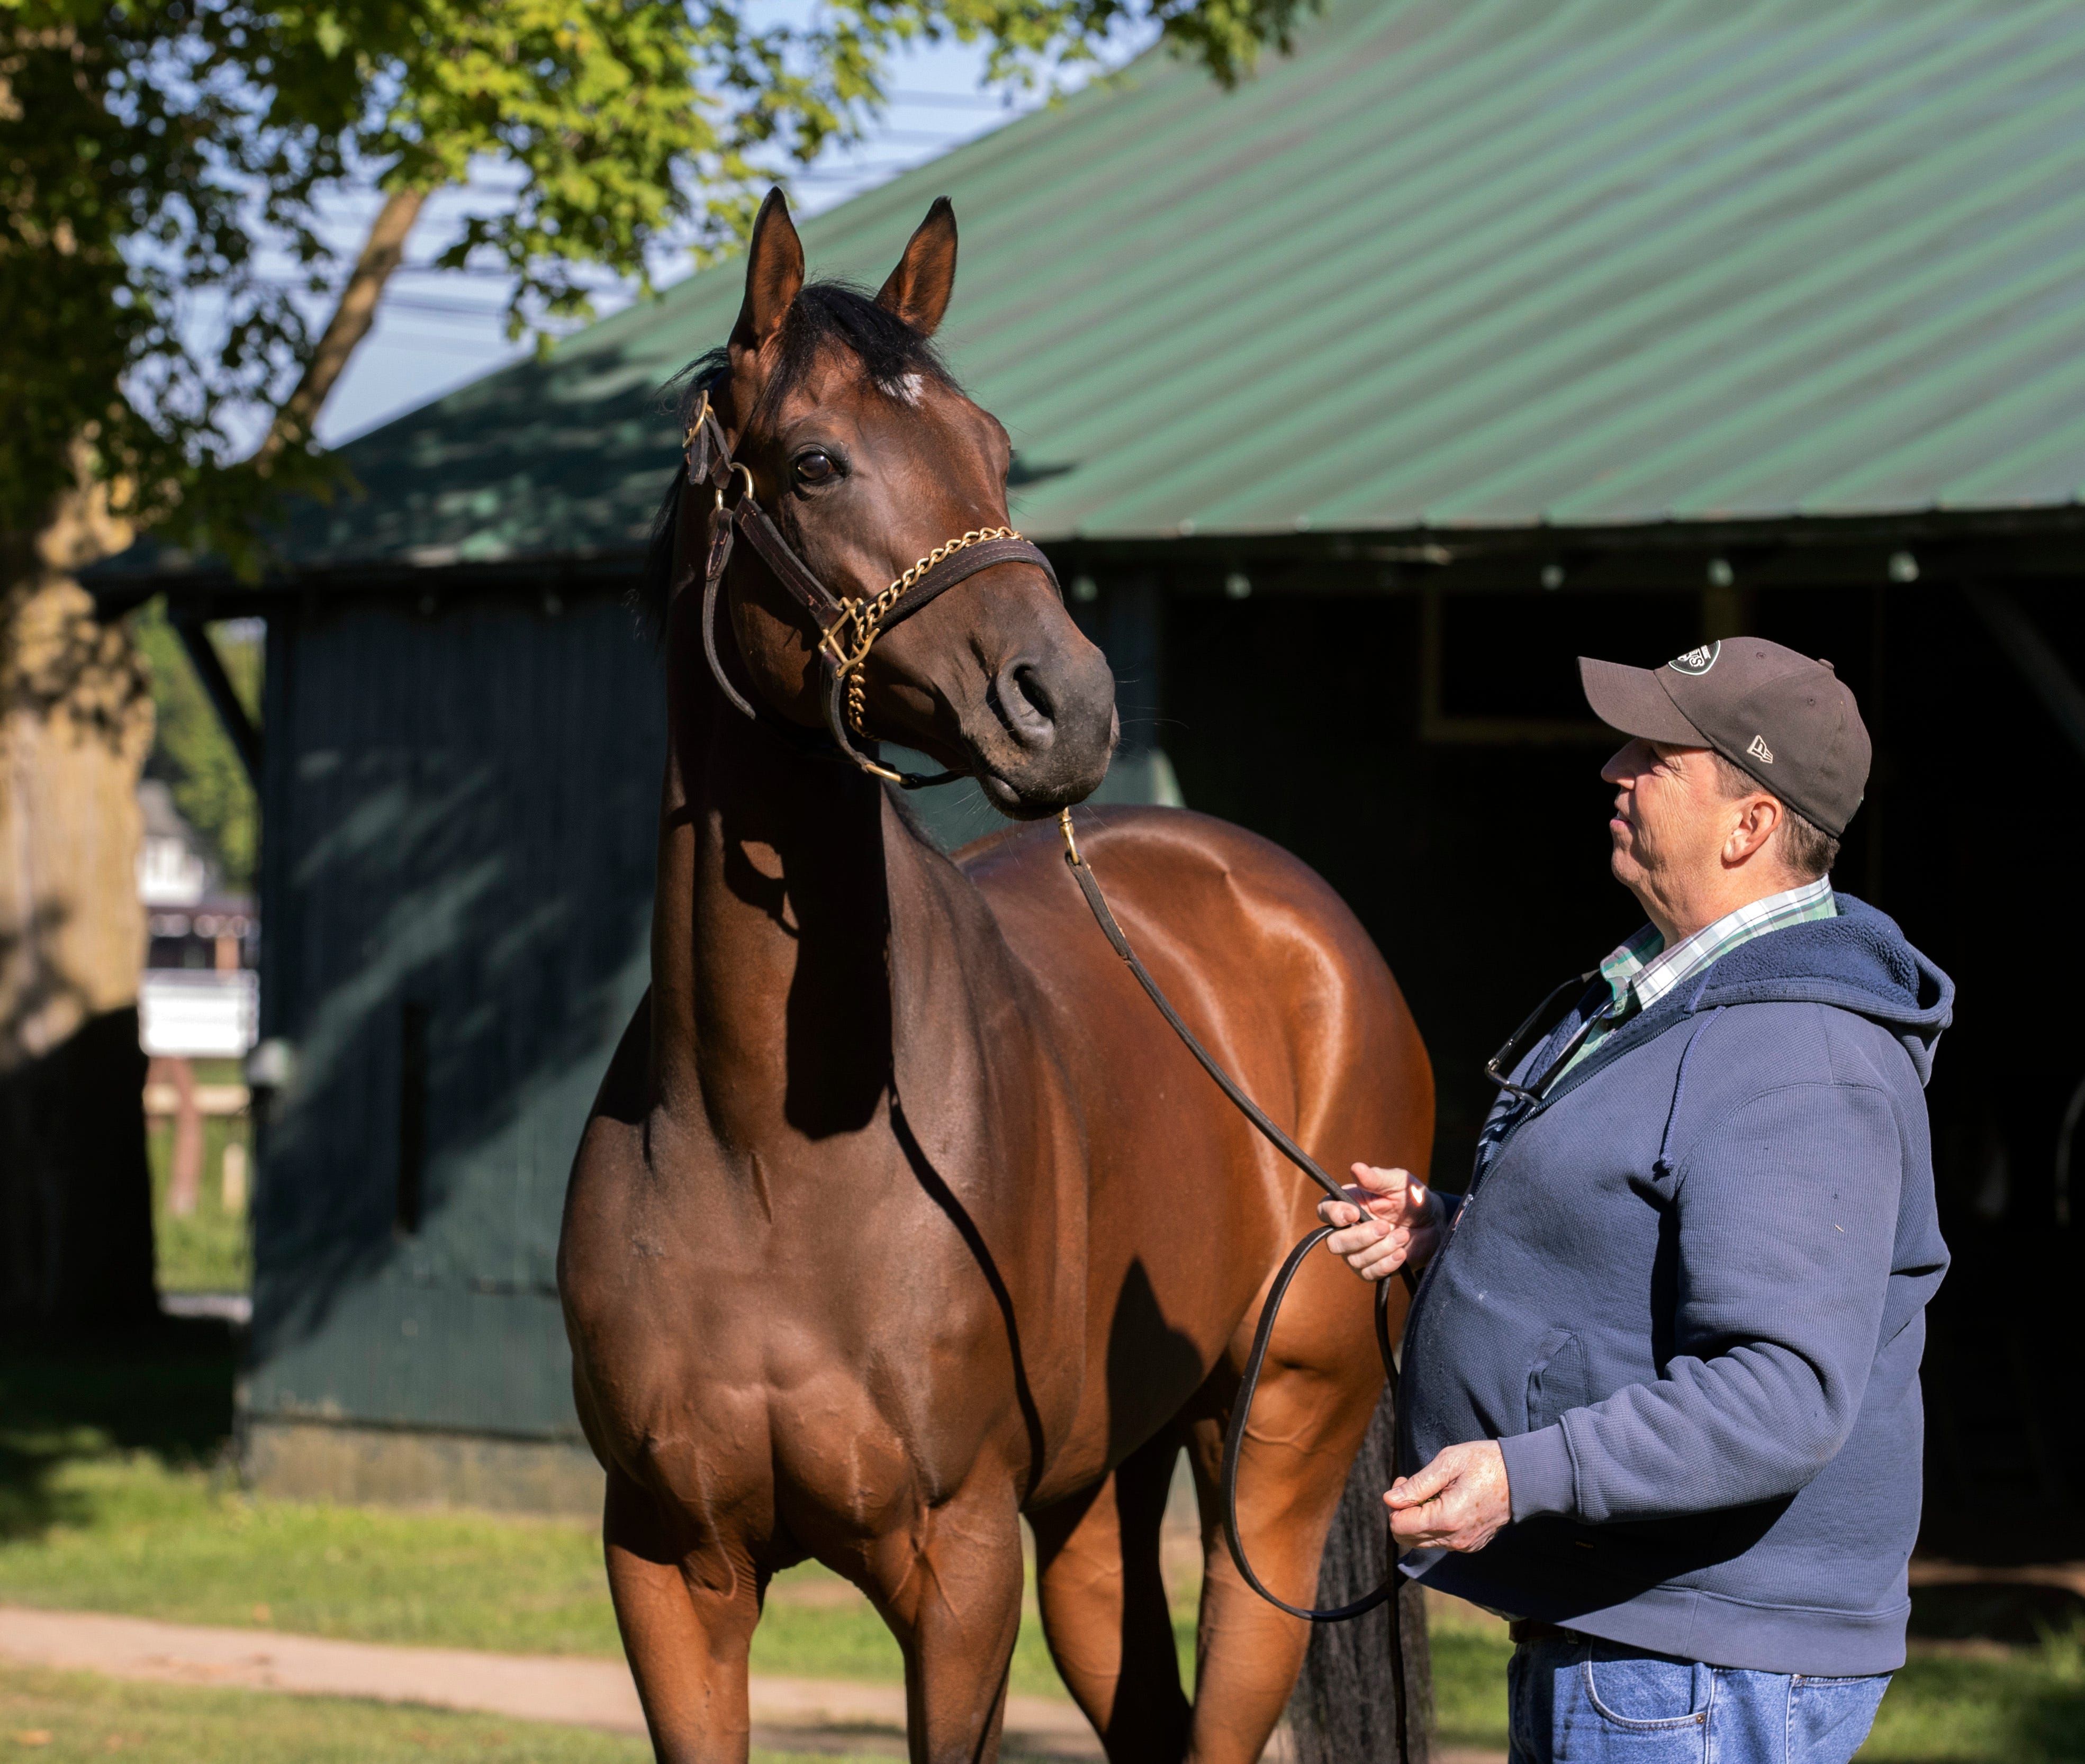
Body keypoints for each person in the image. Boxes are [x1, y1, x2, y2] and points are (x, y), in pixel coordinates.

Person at [1321, 637, 1952, 1764]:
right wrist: (1448, 1230)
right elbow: (1649, 1239)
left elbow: (1780, 1388)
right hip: (1637, 1639)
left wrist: (1526, 1472)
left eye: (1654, 755)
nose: (1611, 769)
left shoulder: (1798, 1054)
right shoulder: (1681, 996)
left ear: (1746, 824)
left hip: (1690, 1667)